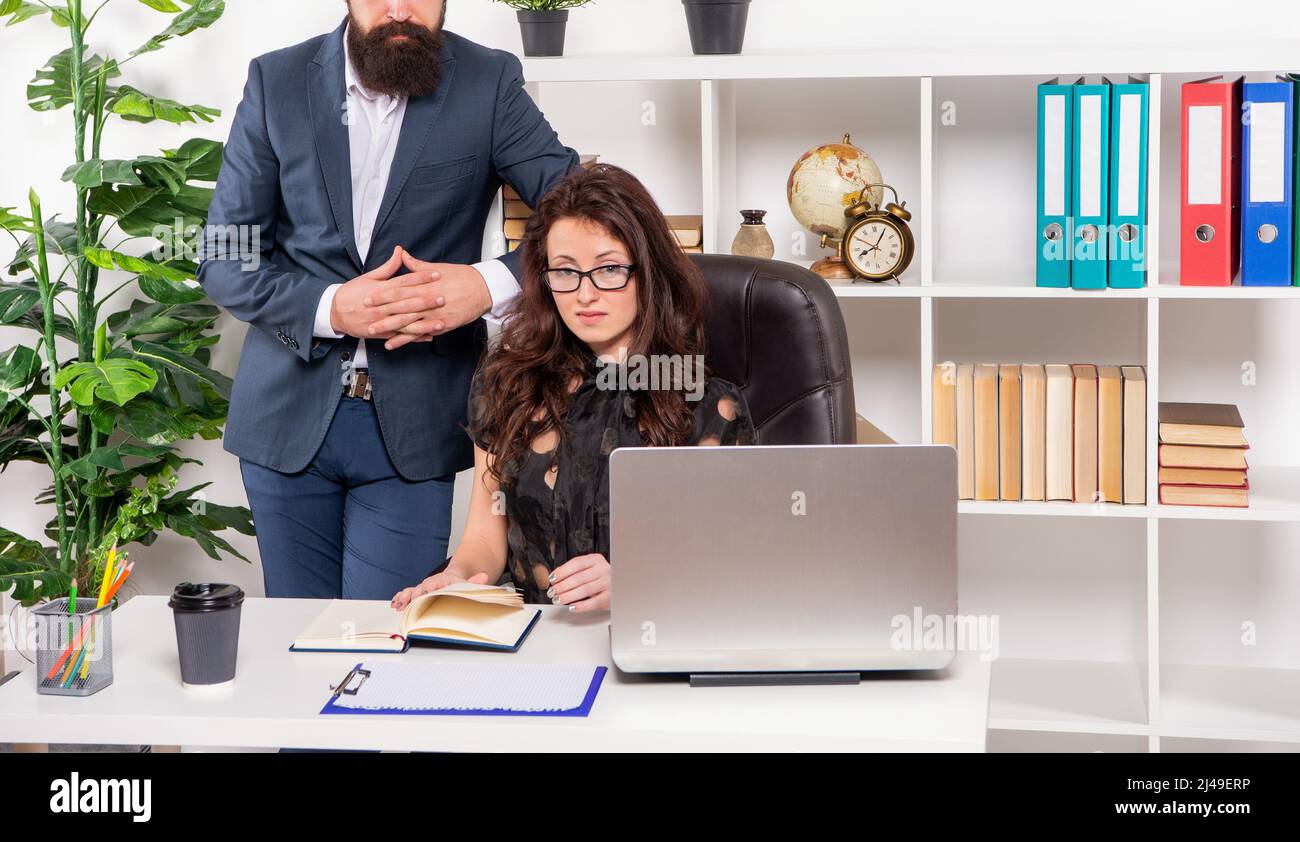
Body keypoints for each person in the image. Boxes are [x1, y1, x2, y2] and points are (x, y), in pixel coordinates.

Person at [197, 0, 580, 600]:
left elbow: (581, 210)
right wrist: (330, 307)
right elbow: (225, 255)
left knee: (389, 641)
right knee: (298, 647)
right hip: (285, 419)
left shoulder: (491, 80)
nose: (400, 10)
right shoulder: (275, 82)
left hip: (419, 421)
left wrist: (485, 285)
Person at [390, 164, 757, 613]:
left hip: (648, 634)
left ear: (649, 271)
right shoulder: (506, 380)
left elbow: (731, 564)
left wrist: (636, 581)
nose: (585, 294)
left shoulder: (707, 404)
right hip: (535, 640)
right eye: (565, 271)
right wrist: (456, 578)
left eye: (608, 269)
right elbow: (485, 537)